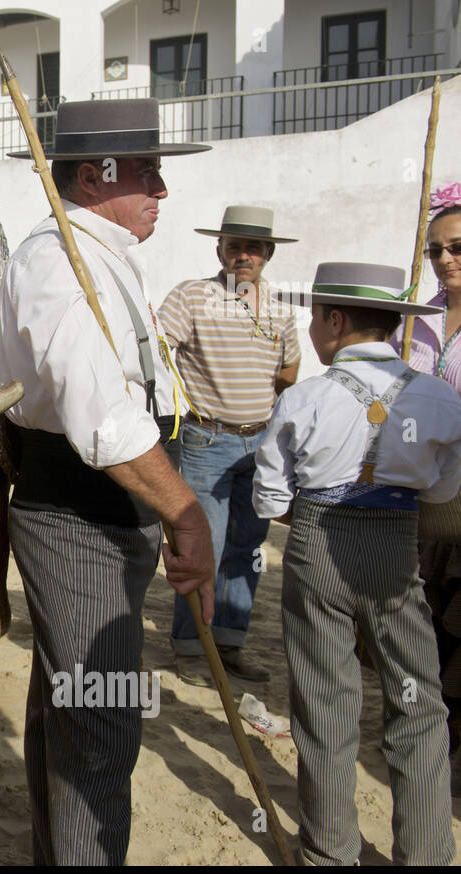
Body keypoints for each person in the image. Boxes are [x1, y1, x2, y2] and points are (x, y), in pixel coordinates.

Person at [0, 99, 215, 865]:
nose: (161, 187)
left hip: (111, 512)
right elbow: (102, 416)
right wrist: (186, 511)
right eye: (148, 170)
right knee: (98, 729)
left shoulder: (100, 251)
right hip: (78, 513)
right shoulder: (58, 259)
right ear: (93, 176)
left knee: (73, 715)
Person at [253, 261, 459, 865]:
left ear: (334, 321)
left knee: (324, 702)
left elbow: (270, 499)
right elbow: (442, 493)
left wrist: (324, 503)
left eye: (315, 317)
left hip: (317, 548)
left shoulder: (302, 398)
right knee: (418, 704)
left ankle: (330, 853)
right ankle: (423, 856)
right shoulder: (440, 399)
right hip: (397, 548)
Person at [158, 206, 301, 687]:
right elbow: (159, 349)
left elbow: (288, 372)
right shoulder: (192, 296)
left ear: (267, 254)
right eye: (234, 246)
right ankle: (191, 650)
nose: (244, 255)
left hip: (260, 443)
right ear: (219, 250)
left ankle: (229, 643)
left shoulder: (279, 308)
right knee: (205, 546)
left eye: (253, 248)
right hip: (207, 439)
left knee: (248, 547)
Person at [388, 180, 461, 793]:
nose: (445, 260)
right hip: (422, 498)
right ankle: (435, 741)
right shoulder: (418, 321)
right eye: (436, 249)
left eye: (457, 246)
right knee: (424, 622)